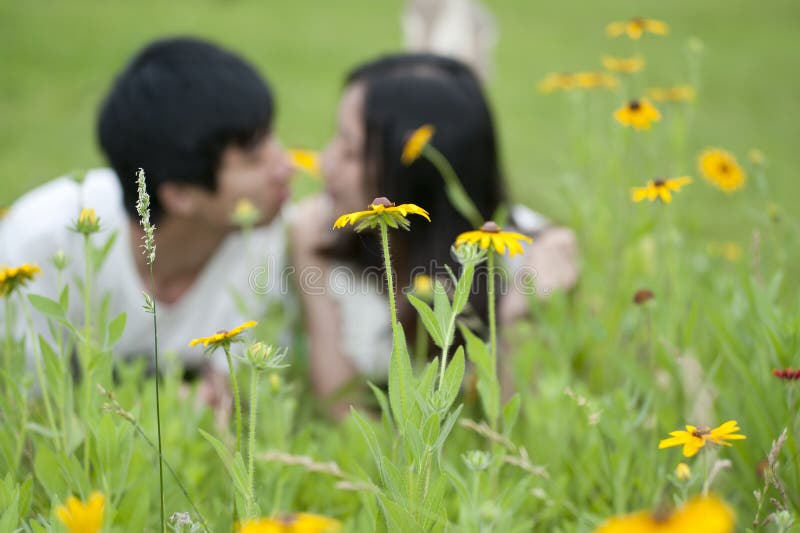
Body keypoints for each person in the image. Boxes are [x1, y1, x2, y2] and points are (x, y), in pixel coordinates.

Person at [290, 53, 578, 415]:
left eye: (351, 151)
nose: (325, 161)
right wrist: (307, 255)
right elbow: (341, 414)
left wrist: (517, 321)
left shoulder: (525, 259)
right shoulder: (320, 235)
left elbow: (511, 429)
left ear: (417, 170)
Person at [0, 37, 293, 375]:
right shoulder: (42, 245)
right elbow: (28, 402)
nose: (286, 166)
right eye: (254, 157)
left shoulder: (276, 238)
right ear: (181, 193)